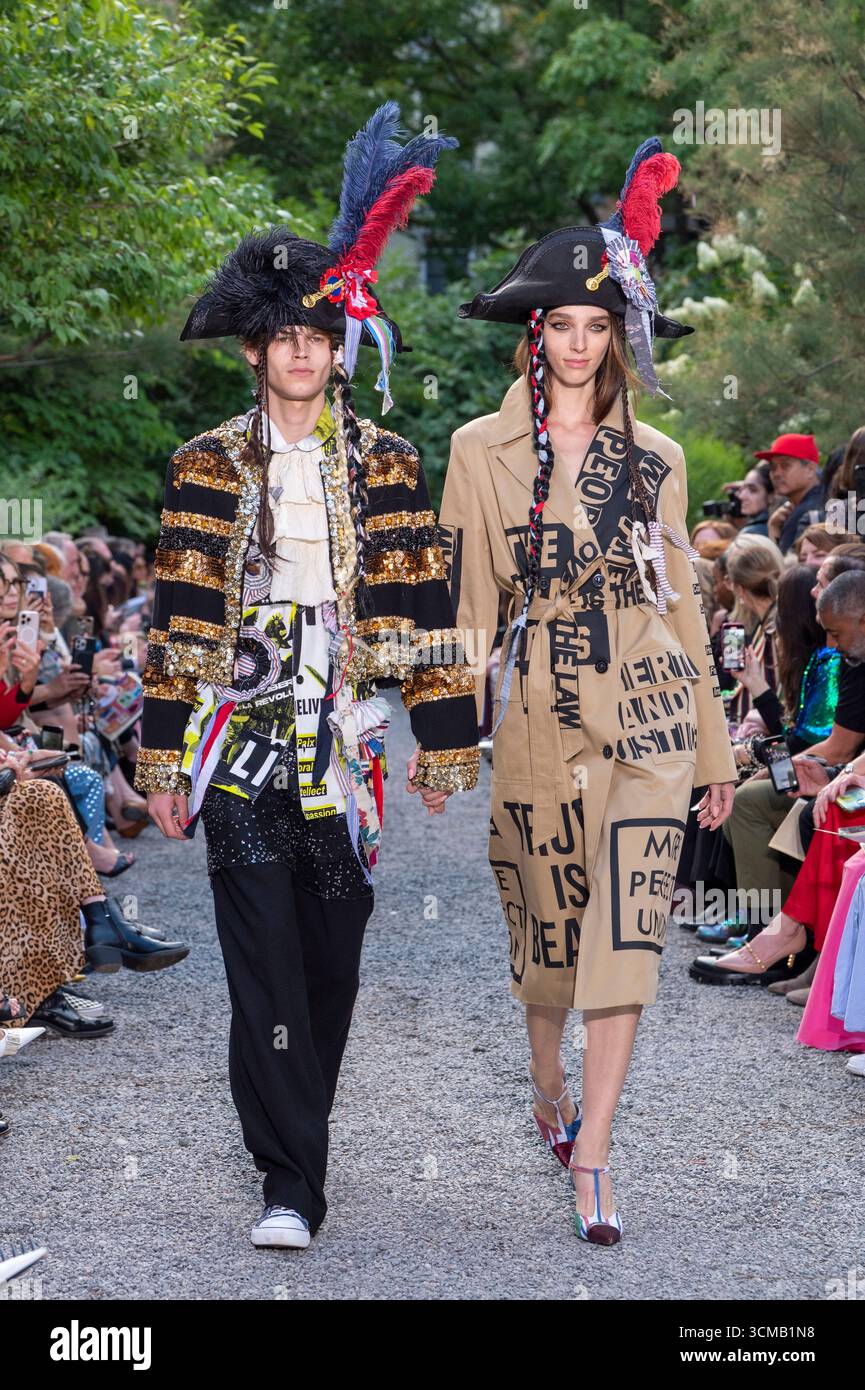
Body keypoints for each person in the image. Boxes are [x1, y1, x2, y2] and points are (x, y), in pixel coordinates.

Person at [135, 103, 480, 1251]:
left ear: (338, 346)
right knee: (260, 954)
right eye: (281, 334)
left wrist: (445, 734)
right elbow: (182, 613)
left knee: (332, 952)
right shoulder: (199, 463)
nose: (299, 350)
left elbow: (425, 593)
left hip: (345, 729)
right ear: (255, 348)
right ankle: (289, 1178)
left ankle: (297, 1128)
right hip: (237, 729)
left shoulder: (388, 458)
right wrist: (161, 751)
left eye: (317, 334)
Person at [439, 136, 737, 1244]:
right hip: (536, 713)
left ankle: (596, 1154)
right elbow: (468, 603)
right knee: (550, 944)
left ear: (619, 334)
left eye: (597, 324)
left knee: (625, 936)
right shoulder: (479, 448)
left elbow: (683, 606)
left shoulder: (655, 456)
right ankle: (545, 1078)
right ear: (536, 332)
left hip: (650, 712)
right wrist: (435, 737)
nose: (577, 342)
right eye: (560, 323)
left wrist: (714, 752)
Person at [758, 433, 824, 554]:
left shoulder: (805, 512)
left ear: (810, 469)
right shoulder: (811, 501)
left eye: (785, 465)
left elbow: (784, 569)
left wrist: (773, 530)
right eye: (773, 468)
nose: (777, 474)